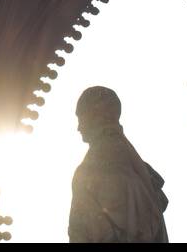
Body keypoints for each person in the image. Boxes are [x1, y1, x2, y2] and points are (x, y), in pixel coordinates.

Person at [68, 86, 169, 243]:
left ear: (95, 117)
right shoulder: (140, 170)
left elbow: (84, 231)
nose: (79, 128)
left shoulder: (90, 170)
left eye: (81, 118)